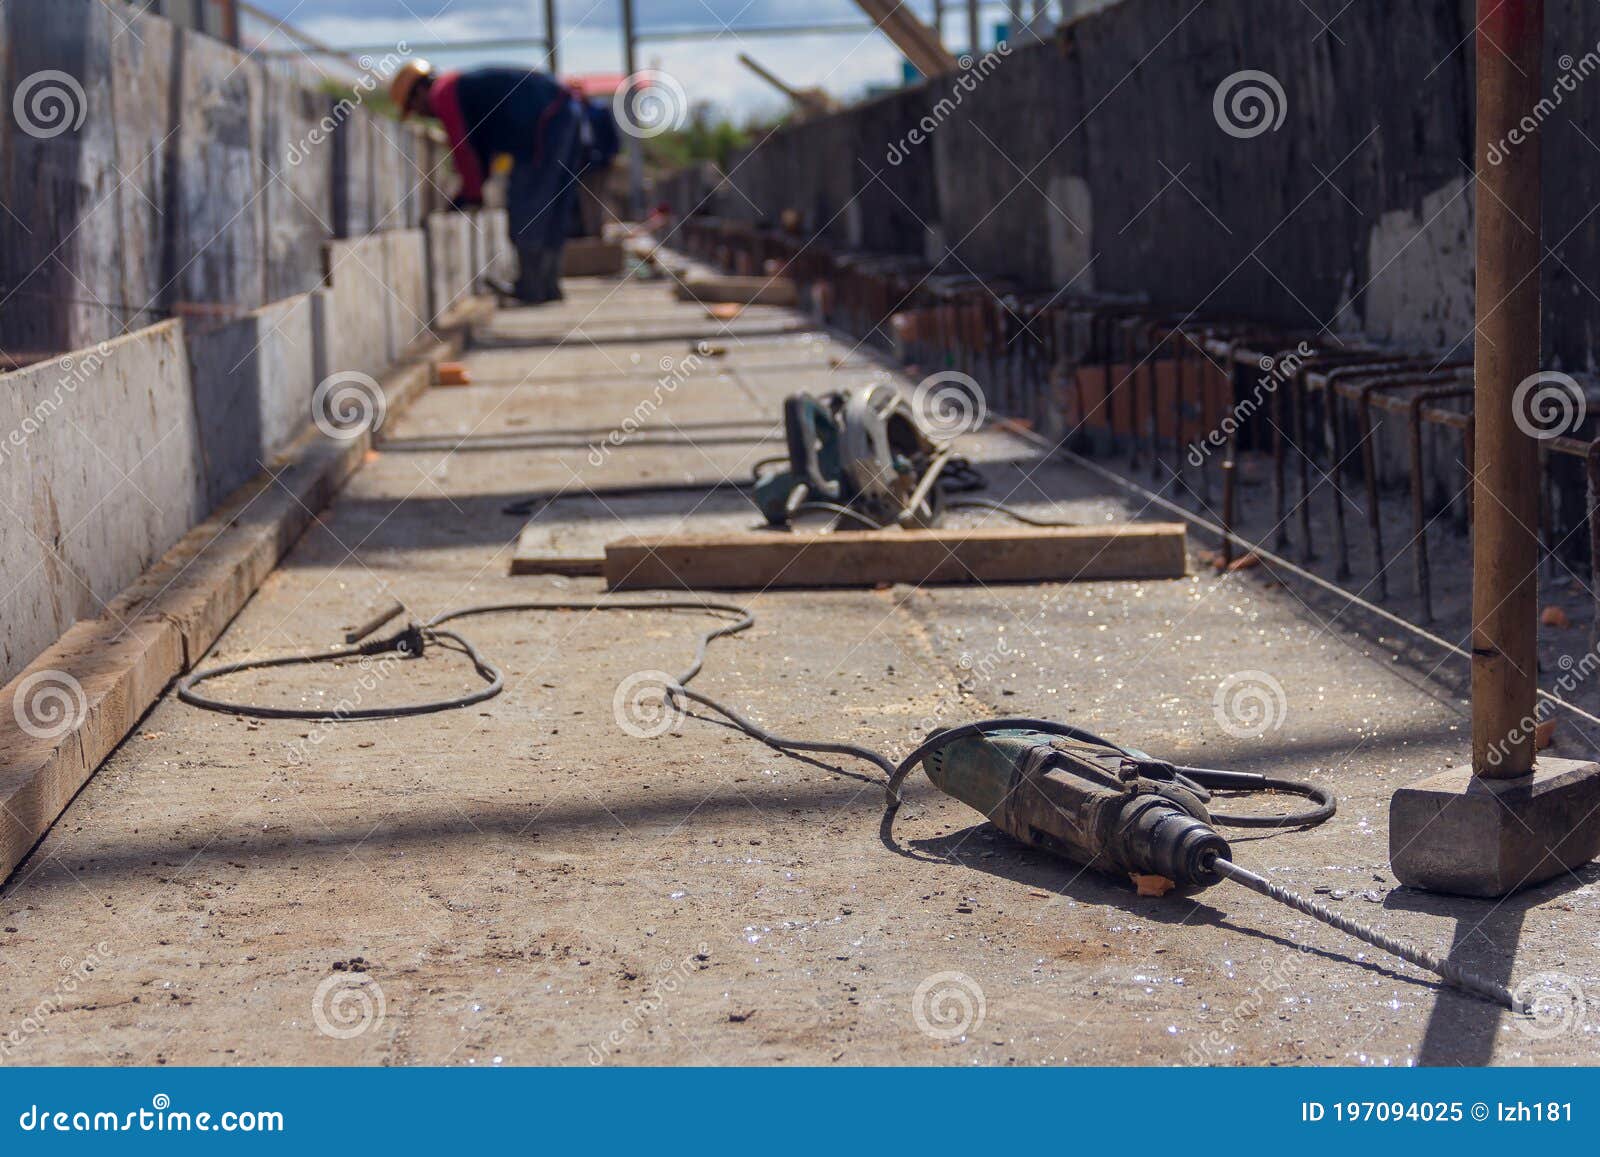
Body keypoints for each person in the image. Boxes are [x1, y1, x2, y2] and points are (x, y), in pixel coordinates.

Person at [390, 59, 580, 304]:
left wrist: (471, 195)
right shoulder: (466, 89)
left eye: (414, 107)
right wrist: (471, 190)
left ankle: (531, 288)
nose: (423, 115)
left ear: (419, 91)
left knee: (527, 205)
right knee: (553, 205)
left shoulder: (444, 94)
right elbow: (481, 150)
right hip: (563, 111)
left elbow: (464, 150)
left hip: (544, 122)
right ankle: (548, 287)